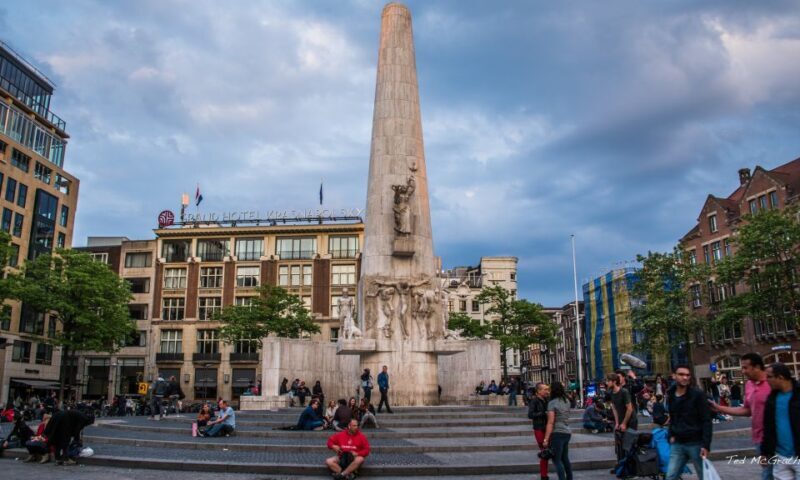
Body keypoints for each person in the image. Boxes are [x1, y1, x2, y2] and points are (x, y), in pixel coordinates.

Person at [709, 352, 772, 480]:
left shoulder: (772, 382)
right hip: (760, 438)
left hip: (777, 438)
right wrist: (718, 408)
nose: (742, 371)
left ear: (757, 367)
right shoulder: (749, 385)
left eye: (745, 367)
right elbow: (747, 410)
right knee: (768, 472)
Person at [665, 365, 712, 480]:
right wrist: (671, 434)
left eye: (687, 375)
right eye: (681, 374)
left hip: (696, 442)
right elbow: (673, 416)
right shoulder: (670, 394)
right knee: (670, 476)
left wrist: (706, 445)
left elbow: (706, 420)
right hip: (678, 443)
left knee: (704, 476)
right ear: (674, 376)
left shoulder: (698, 395)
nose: (685, 377)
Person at [762, 362, 800, 480]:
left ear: (780, 377)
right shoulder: (771, 399)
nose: (766, 380)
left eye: (769, 377)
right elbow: (768, 427)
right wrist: (765, 453)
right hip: (780, 457)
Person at [543, 382, 573, 480]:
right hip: (567, 431)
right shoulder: (567, 401)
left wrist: (546, 439)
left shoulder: (552, 403)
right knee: (565, 458)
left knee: (556, 460)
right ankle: (569, 478)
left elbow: (551, 422)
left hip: (558, 432)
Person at [608, 373, 638, 463]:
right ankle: (621, 466)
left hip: (631, 421)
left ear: (614, 382)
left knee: (629, 445)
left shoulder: (624, 392)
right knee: (619, 445)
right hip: (621, 420)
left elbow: (629, 409)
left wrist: (624, 423)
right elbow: (614, 409)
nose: (607, 383)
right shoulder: (611, 393)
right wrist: (617, 423)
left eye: (608, 381)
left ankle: (631, 468)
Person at [528, 382, 550, 480]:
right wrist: (543, 413)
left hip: (547, 428)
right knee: (544, 452)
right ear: (539, 391)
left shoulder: (546, 400)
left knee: (547, 452)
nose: (547, 391)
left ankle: (544, 475)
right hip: (539, 428)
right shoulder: (534, 401)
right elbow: (530, 415)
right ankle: (543, 475)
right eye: (545, 389)